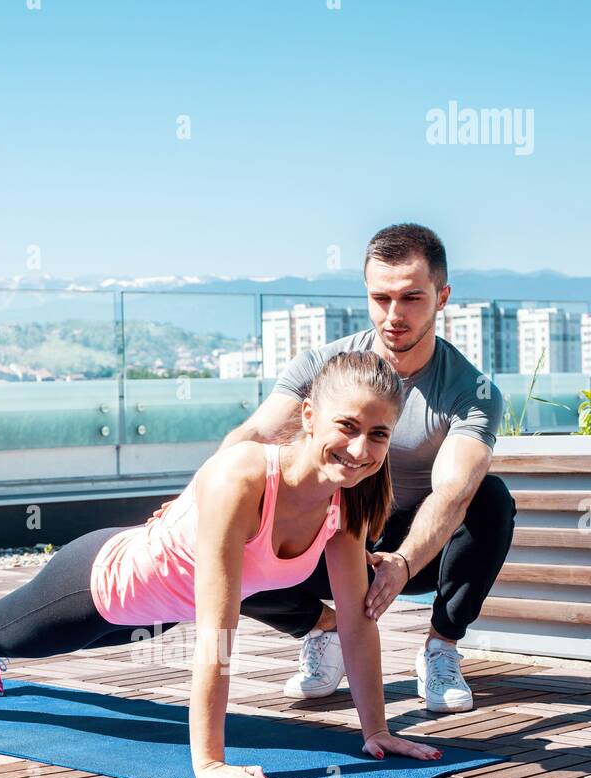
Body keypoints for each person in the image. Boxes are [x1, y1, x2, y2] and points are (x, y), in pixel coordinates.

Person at [0, 350, 441, 778]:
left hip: (156, 615)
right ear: (309, 416)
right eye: (348, 426)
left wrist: (377, 730)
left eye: (379, 434)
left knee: (15, 644)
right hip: (99, 585)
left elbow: (357, 625)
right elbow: (218, 630)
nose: (361, 449)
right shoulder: (244, 476)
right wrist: (209, 762)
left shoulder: (349, 505)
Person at [220, 223, 516, 713]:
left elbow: (453, 491)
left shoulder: (472, 391)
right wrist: (194, 506)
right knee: (225, 525)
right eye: (381, 298)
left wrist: (400, 563)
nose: (394, 315)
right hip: (327, 540)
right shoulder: (320, 366)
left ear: (442, 297)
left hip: (414, 551)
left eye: (411, 298)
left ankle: (441, 647)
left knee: (489, 498)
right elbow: (252, 438)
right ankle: (322, 629)